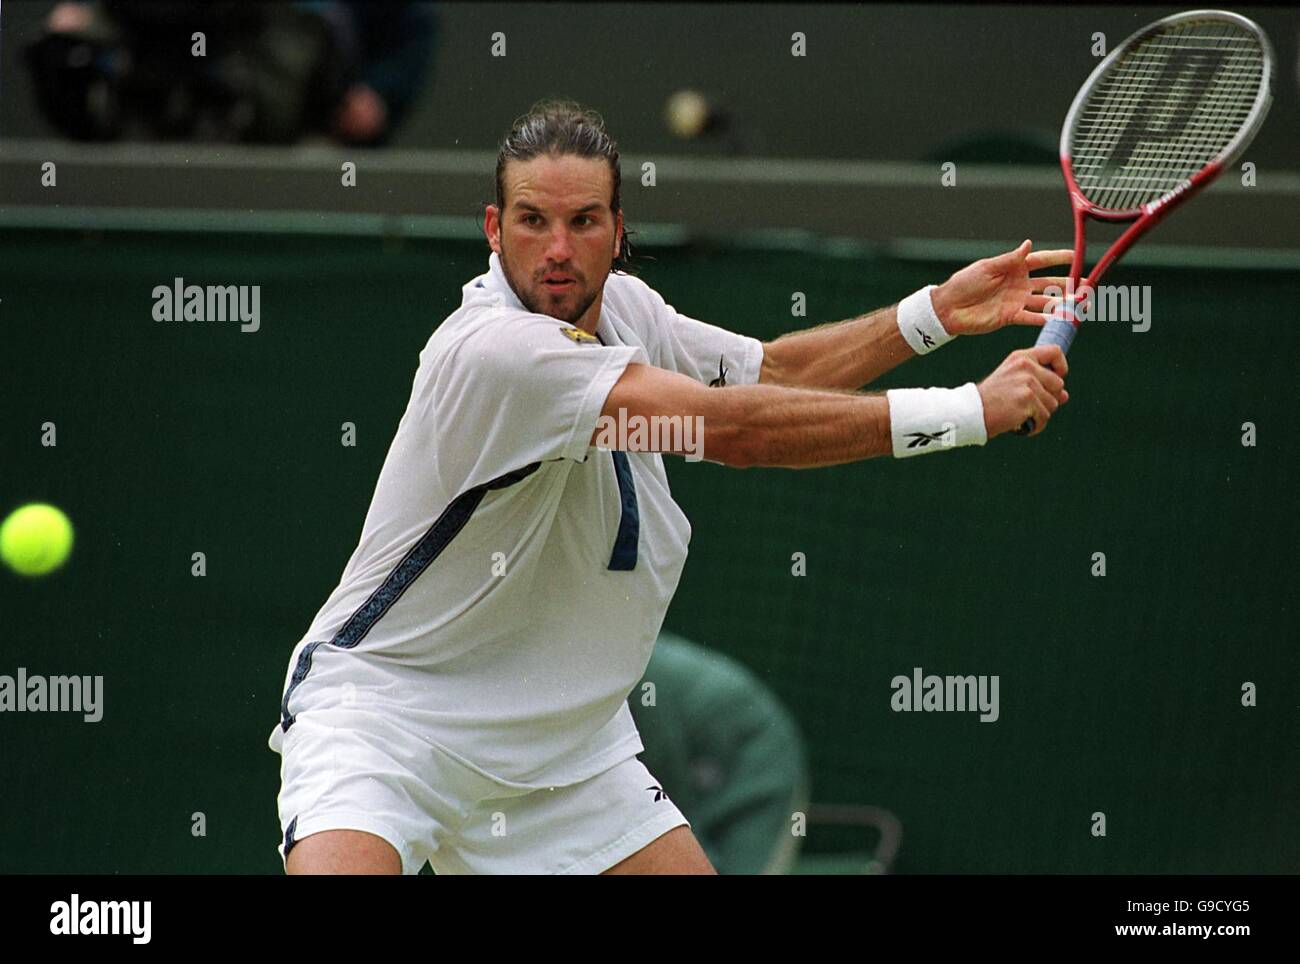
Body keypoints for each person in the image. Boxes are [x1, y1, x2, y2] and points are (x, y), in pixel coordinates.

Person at [269, 99, 1071, 875]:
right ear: (494, 229)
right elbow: (735, 431)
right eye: (531, 220)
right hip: (388, 723)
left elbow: (775, 372)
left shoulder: (626, 308)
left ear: (617, 233)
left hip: (563, 752)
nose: (557, 247)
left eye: (583, 221)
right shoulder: (496, 355)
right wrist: (968, 410)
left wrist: (931, 313)